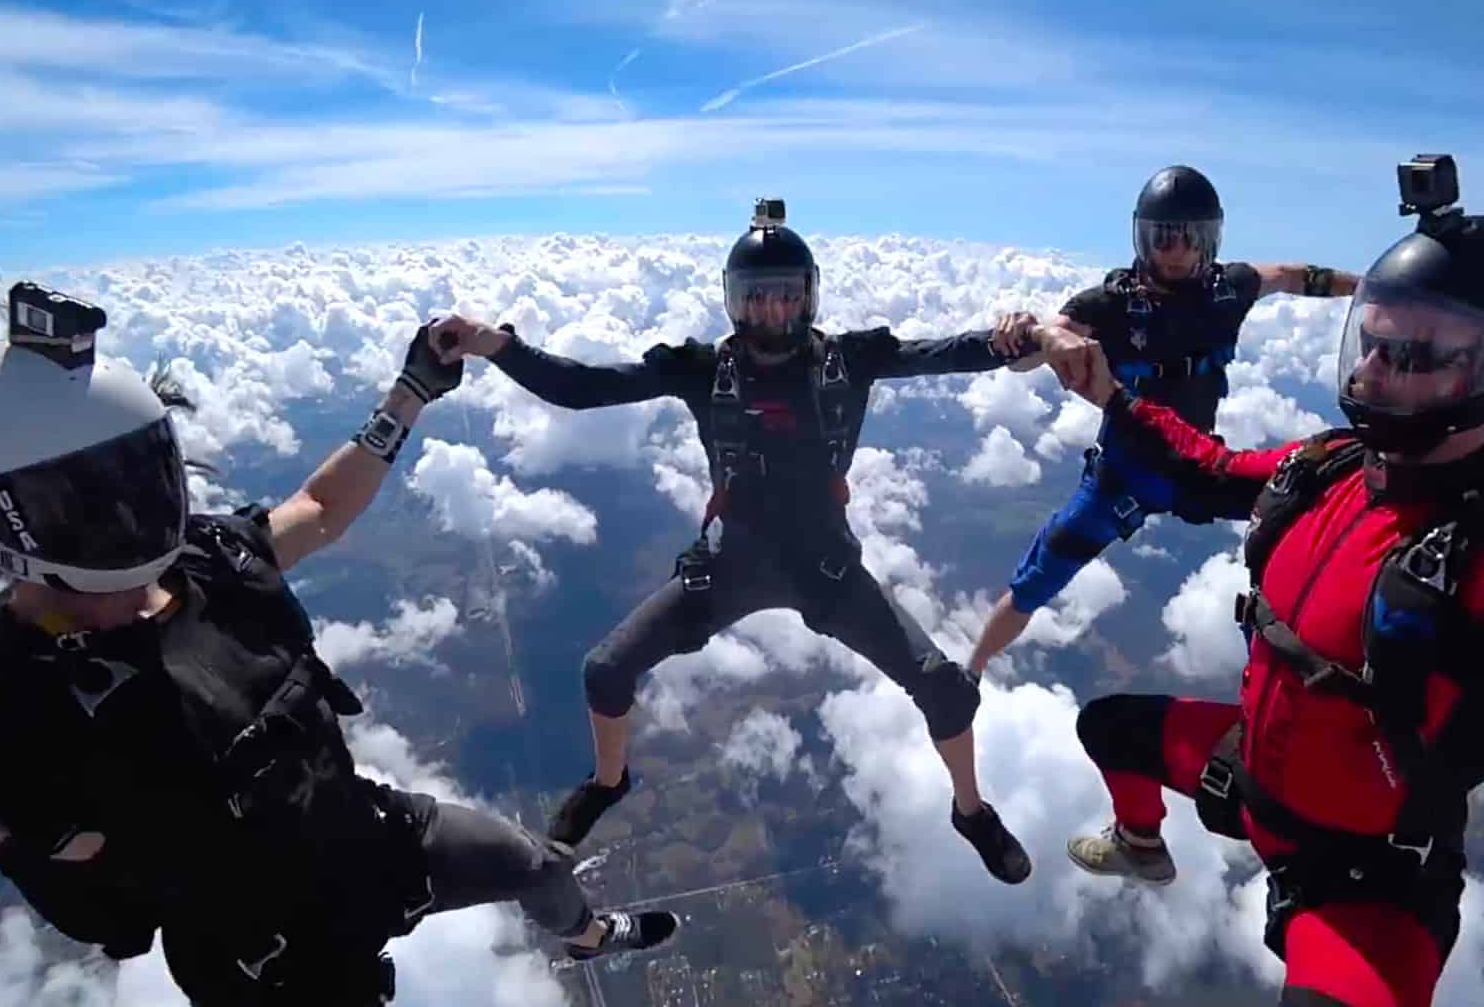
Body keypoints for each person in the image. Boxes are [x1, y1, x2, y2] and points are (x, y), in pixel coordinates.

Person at [0, 284, 678, 1007]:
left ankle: (586, 936)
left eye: (140, 475)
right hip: (270, 968)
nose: (135, 513)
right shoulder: (0, 707)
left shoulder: (206, 562)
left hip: (371, 839)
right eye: (94, 497)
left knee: (532, 863)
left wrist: (411, 392)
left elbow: (316, 509)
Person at [1041, 171, 1484, 1006]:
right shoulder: (1327, 467)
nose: (1377, 369)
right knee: (1109, 727)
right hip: (1253, 774)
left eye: (1415, 352)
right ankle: (1141, 844)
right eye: (1373, 340)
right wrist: (1116, 398)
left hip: (1368, 877)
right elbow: (1211, 471)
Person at [438, 198, 1052, 884]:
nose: (771, 314)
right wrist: (496, 344)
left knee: (944, 688)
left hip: (826, 570)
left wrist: (1014, 342)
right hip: (728, 568)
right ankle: (610, 782)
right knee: (603, 671)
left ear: (809, 298)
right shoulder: (704, 368)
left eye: (785, 298)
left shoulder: (849, 360)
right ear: (734, 302)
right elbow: (583, 388)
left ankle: (971, 812)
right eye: (756, 299)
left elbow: (947, 353)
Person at [968, 164, 1362, 676]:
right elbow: (1038, 350)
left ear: (1210, 240)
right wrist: (1029, 334)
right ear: (1142, 238)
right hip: (1124, 476)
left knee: (1317, 509)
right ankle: (969, 674)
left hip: (1196, 468)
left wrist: (1372, 289)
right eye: (1162, 237)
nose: (1174, 250)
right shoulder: (1109, 305)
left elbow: (1290, 276)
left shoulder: (1230, 290)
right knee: (1037, 580)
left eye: (1188, 237)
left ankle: (1341, 652)